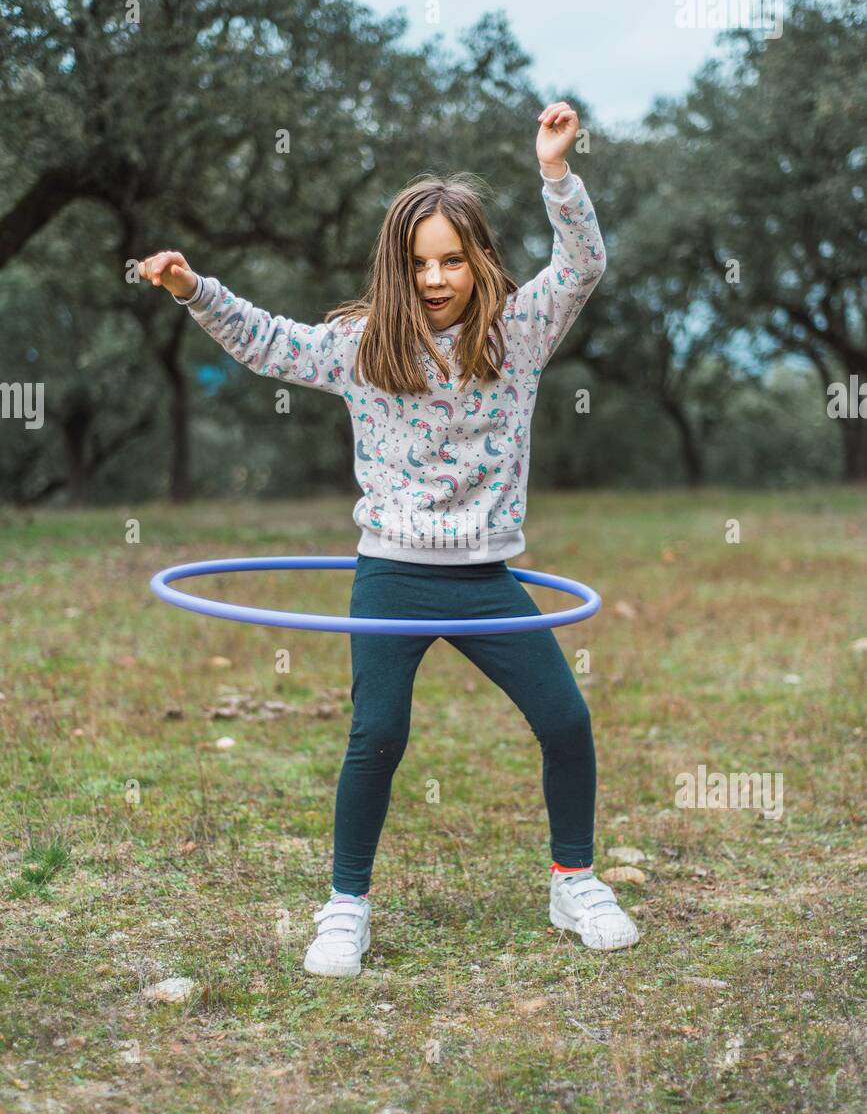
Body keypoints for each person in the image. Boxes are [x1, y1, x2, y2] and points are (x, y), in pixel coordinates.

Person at [137, 101, 640, 978]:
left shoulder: (519, 334)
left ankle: (574, 882)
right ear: (395, 269)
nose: (436, 278)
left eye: (452, 260)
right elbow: (267, 343)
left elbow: (583, 264)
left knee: (565, 720)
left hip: (485, 578)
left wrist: (555, 173)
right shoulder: (362, 347)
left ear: (479, 261)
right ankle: (346, 905)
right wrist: (193, 288)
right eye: (419, 263)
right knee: (376, 735)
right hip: (391, 577)